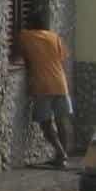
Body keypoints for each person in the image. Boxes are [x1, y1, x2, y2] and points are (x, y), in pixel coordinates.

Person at [15, 22, 75, 167]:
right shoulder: (55, 37)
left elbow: (17, 52)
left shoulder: (26, 36)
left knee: (45, 123)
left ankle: (61, 154)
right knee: (62, 121)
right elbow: (62, 58)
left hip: (43, 86)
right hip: (61, 84)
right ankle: (62, 158)